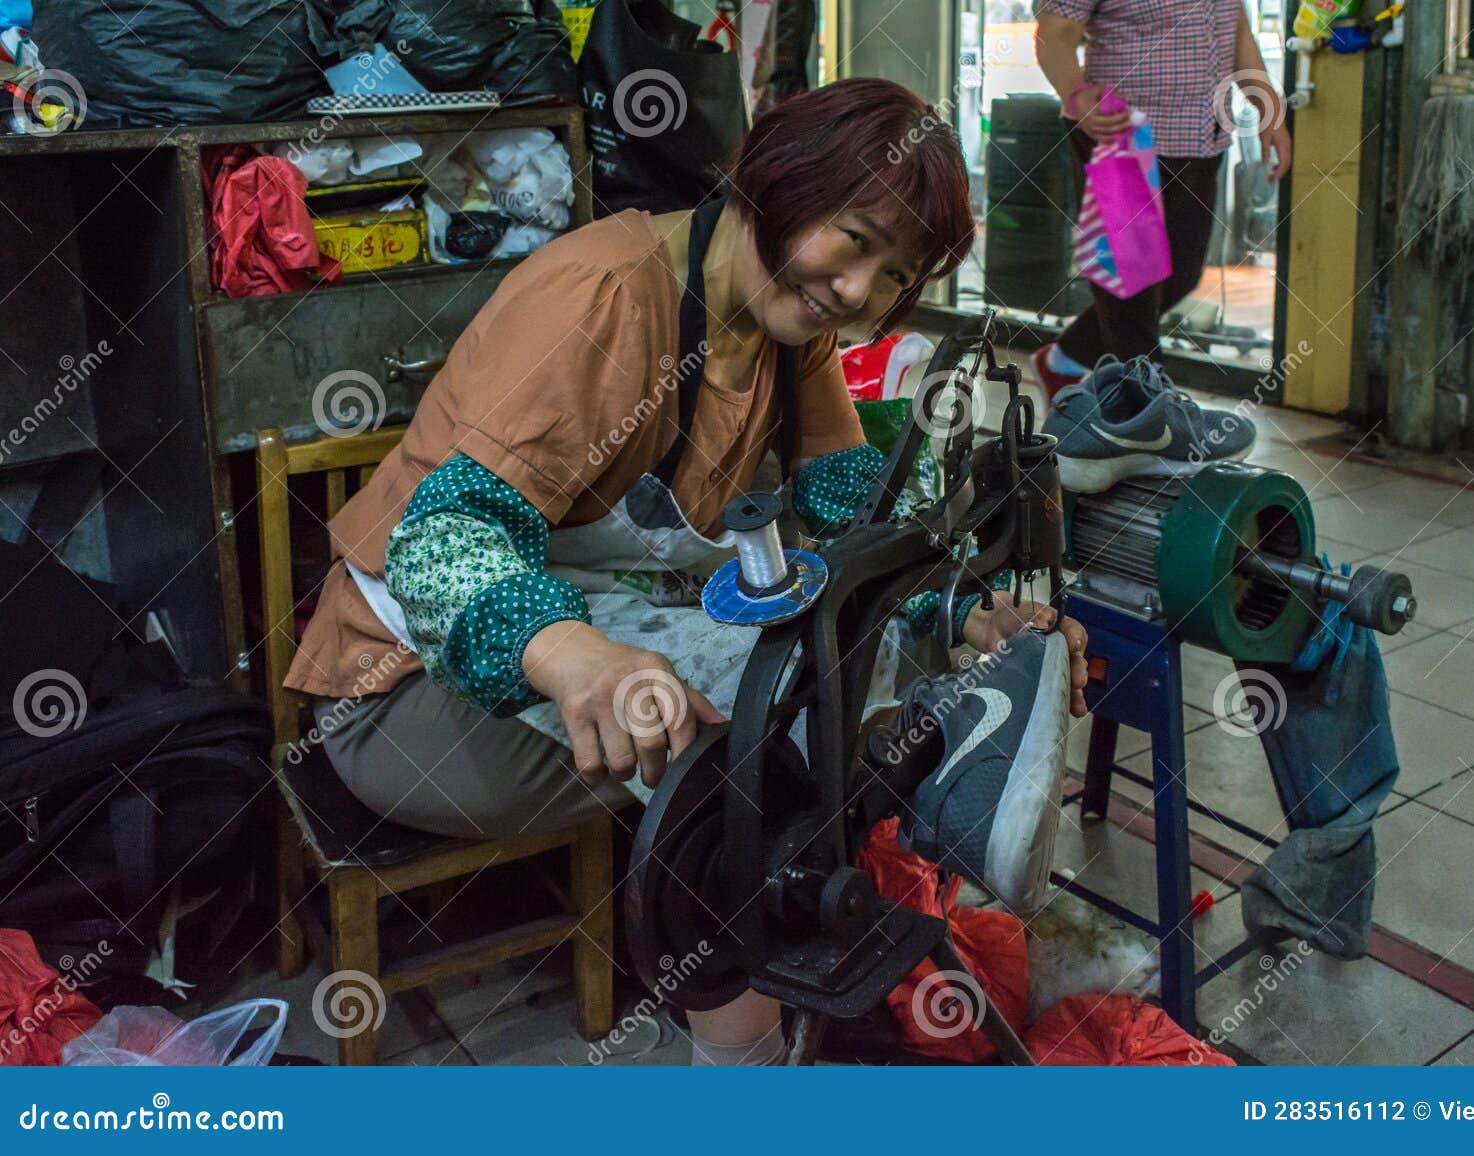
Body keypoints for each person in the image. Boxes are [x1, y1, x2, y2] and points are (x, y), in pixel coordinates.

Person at [283, 78, 1089, 1065]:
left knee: (804, 672)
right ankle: (749, 1051)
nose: (856, 291)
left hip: (600, 626)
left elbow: (850, 515)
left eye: (891, 276)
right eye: (853, 239)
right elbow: (437, 544)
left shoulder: (780, 322)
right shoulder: (606, 296)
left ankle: (916, 801)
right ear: (778, 180)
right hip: (408, 698)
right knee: (760, 729)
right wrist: (580, 658)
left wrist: (957, 612)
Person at [1030, 0, 1292, 396]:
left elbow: (1235, 28)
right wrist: (1075, 93)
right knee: (1131, 283)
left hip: (1201, 137)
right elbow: (1055, 33)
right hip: (1121, 134)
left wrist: (1267, 108)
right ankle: (1146, 414)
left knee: (1180, 274)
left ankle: (1065, 358)